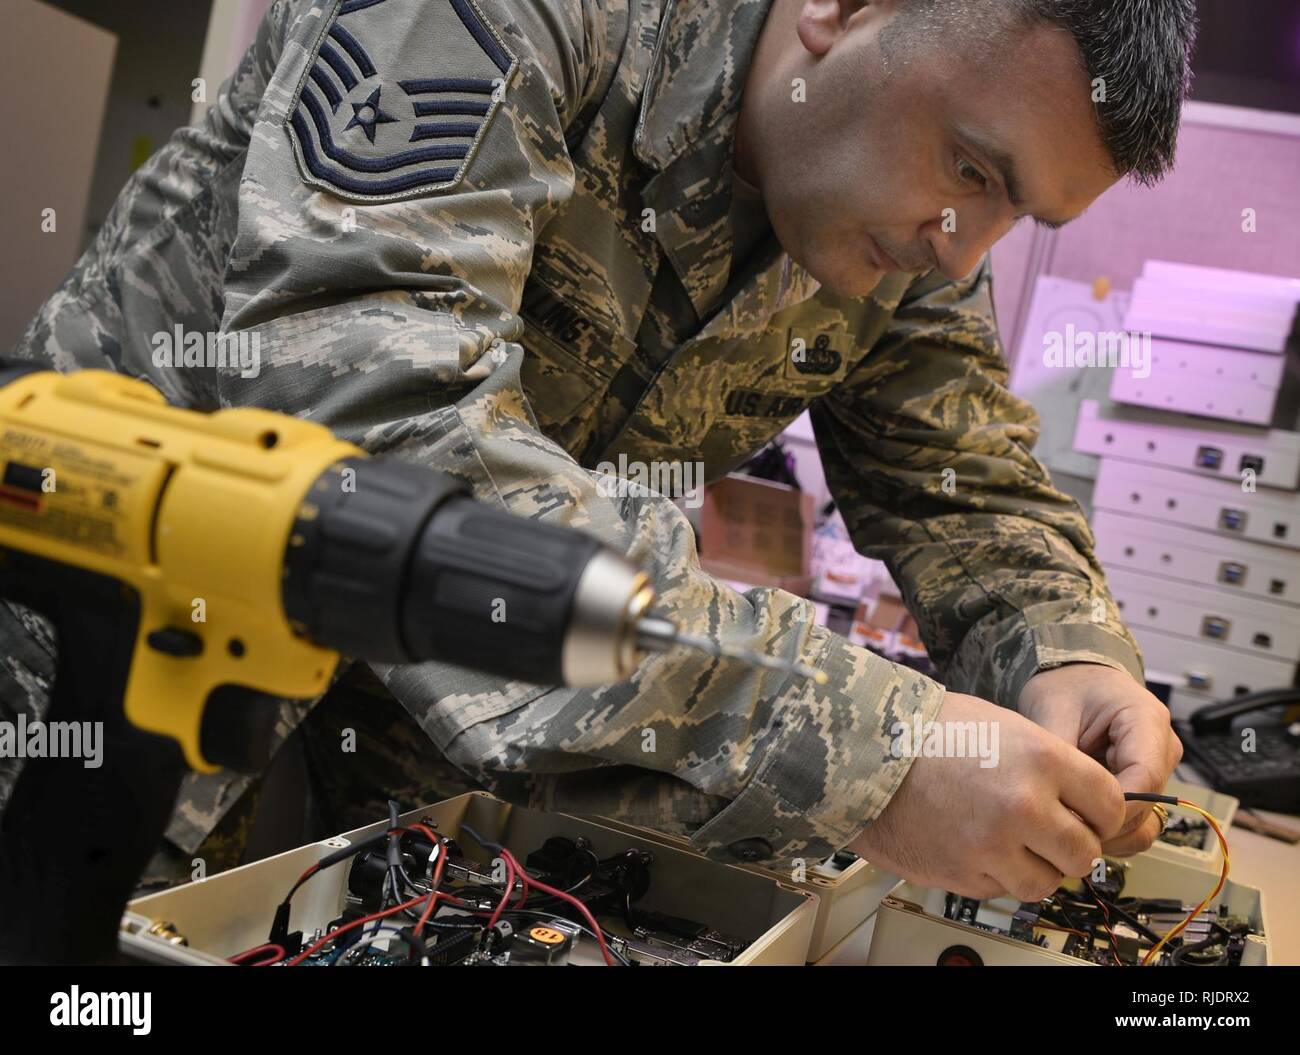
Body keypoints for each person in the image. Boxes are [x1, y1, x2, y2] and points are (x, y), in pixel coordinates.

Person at [4, 0, 1196, 902]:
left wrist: (1067, 656)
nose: (961, 251)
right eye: (974, 171)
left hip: (424, 767)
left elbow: (966, 486)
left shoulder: (896, 221)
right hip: (113, 650)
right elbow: (389, 444)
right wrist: (876, 747)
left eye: (1013, 213)